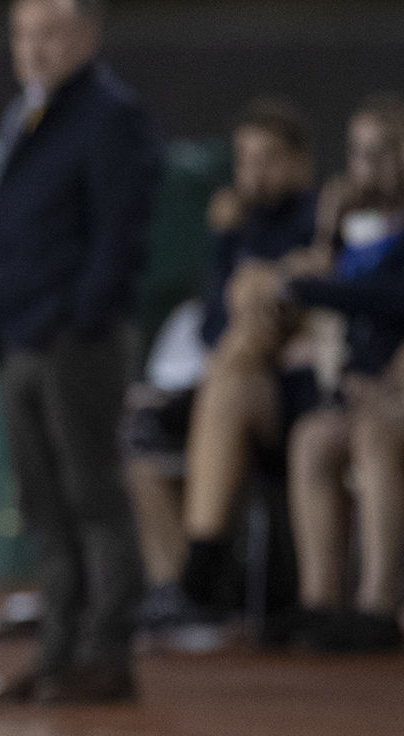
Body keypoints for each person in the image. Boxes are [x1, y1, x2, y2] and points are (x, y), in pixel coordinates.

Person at [0, 0, 162, 704]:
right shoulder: (28, 113)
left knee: (92, 494)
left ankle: (105, 653)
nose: (34, 48)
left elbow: (121, 234)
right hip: (25, 336)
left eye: (50, 33)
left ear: (86, 37)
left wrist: (79, 319)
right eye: (23, 33)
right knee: (47, 505)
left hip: (76, 342)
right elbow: (14, 233)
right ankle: (60, 653)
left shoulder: (111, 117)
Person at [128, 98, 316, 636]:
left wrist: (266, 295)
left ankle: (202, 574)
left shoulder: (316, 223)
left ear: (302, 163)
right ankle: (177, 589)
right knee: (139, 440)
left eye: (270, 159)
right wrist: (228, 246)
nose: (255, 173)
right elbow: (209, 327)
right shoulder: (238, 228)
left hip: (293, 398)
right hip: (236, 387)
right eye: (246, 160)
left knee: (230, 377)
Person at [281, 95, 404, 651]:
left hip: (394, 398)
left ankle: (378, 603)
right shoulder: (357, 225)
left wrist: (304, 286)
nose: (369, 167)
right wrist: (327, 231)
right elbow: (325, 284)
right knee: (312, 440)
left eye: (384, 153)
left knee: (375, 431)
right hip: (365, 390)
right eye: (358, 154)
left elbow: (385, 298)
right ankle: (320, 603)